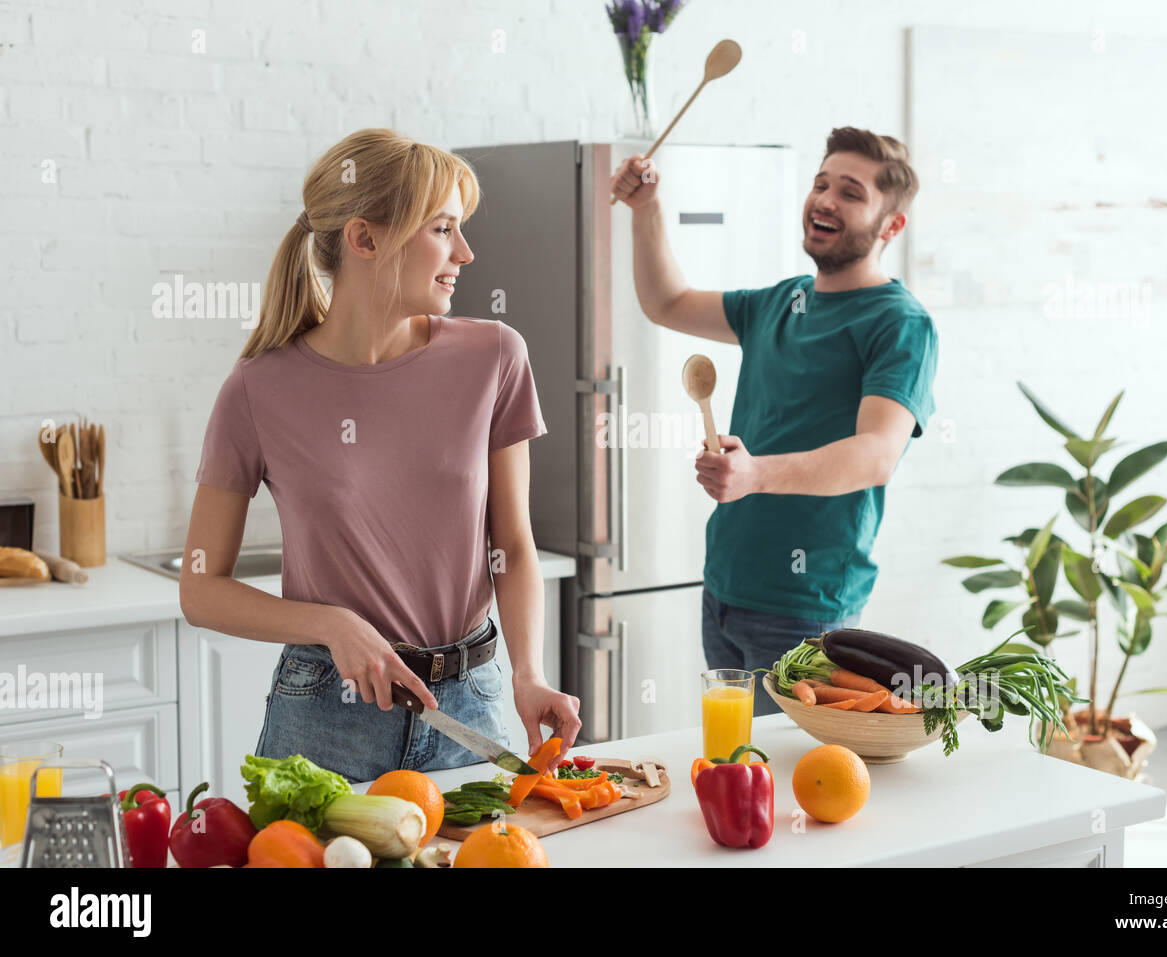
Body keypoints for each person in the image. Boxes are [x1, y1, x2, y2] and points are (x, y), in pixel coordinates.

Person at [181, 128, 580, 781]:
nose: (466, 252)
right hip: (325, 717)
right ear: (365, 239)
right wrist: (333, 624)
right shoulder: (259, 388)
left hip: (469, 706)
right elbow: (201, 587)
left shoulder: (496, 357)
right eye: (444, 229)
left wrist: (529, 674)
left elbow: (512, 540)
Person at [611, 127, 939, 716]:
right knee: (742, 765)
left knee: (794, 785)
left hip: (808, 604)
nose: (825, 200)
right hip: (725, 588)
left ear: (892, 226)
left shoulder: (900, 323)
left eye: (851, 192)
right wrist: (646, 208)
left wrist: (755, 473)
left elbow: (876, 454)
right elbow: (666, 301)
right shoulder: (781, 302)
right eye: (820, 184)